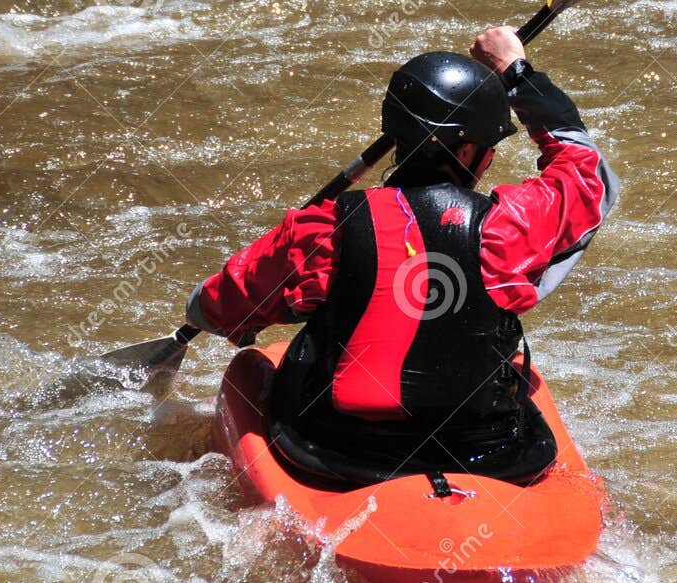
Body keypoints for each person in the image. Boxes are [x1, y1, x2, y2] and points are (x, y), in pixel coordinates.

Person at [185, 25, 619, 487]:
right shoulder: (510, 229)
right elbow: (588, 171)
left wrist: (242, 316)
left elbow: (212, 307)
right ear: (469, 150)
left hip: (338, 450)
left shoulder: (323, 231)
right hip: (486, 449)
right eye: (489, 148)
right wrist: (516, 73)